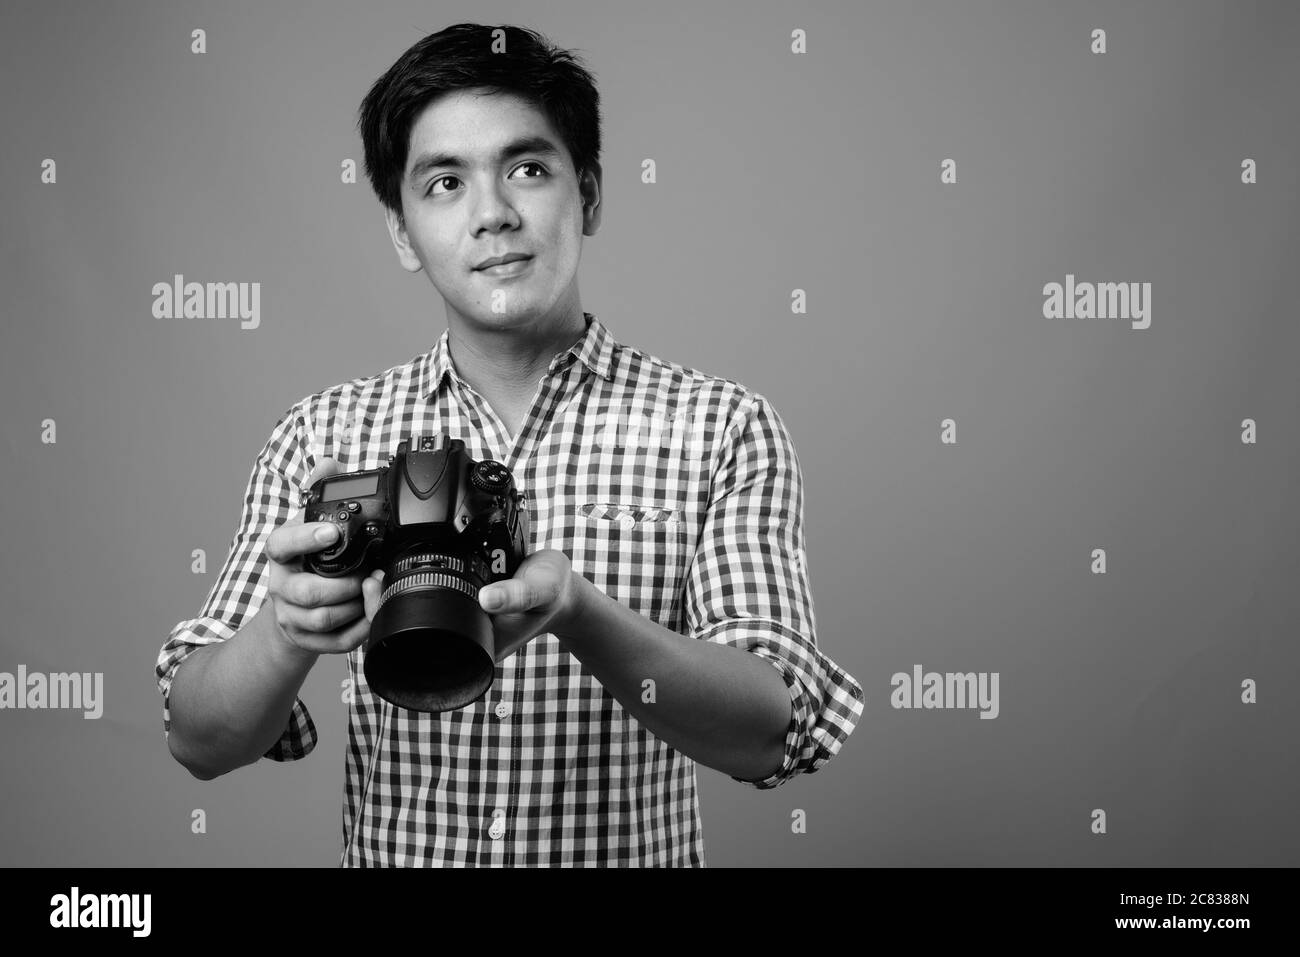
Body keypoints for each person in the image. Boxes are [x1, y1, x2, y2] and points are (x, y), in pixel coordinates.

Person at [155, 22, 863, 867]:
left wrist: (579, 611)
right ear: (400, 230)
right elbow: (200, 738)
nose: (492, 214)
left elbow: (771, 730)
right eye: (445, 182)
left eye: (528, 169)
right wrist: (285, 631)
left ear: (590, 193)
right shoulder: (324, 439)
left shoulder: (720, 428)